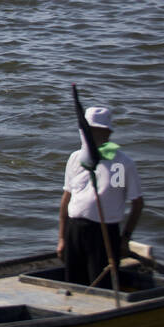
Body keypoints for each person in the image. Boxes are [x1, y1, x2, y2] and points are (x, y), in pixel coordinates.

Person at [58, 107, 143, 287]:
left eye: (96, 131)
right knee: (73, 283)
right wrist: (62, 238)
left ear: (107, 132)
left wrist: (125, 238)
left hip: (103, 232)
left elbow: (135, 202)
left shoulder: (120, 164)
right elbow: (67, 197)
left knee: (101, 284)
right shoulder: (75, 158)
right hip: (75, 230)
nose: (91, 136)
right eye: (88, 131)